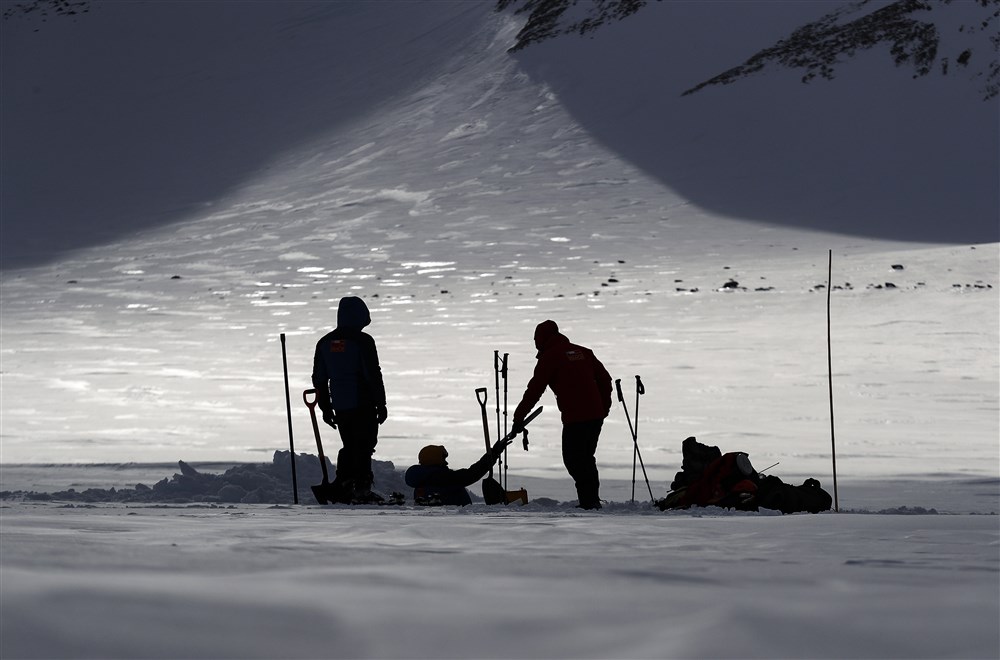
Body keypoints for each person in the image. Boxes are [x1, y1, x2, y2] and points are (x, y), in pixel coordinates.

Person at [511, 320, 612, 509]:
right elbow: (605, 380)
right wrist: (603, 407)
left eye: (536, 339)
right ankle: (590, 500)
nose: (534, 343)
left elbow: (534, 391)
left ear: (542, 339)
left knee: (574, 459)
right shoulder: (583, 352)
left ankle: (589, 503)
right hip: (595, 415)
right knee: (586, 458)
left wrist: (518, 417)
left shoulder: (550, 358)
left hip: (576, 417)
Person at [312, 296, 387, 503]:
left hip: (341, 405)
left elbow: (319, 379)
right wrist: (381, 403)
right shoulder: (363, 341)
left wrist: (326, 408)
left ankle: (343, 484)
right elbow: (373, 374)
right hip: (364, 403)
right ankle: (361, 489)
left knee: (350, 444)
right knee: (364, 445)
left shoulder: (325, 342)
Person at [404, 438, 512, 505]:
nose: (446, 463)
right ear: (435, 460)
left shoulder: (422, 480)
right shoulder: (442, 478)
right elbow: (472, 474)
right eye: (443, 459)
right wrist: (494, 453)